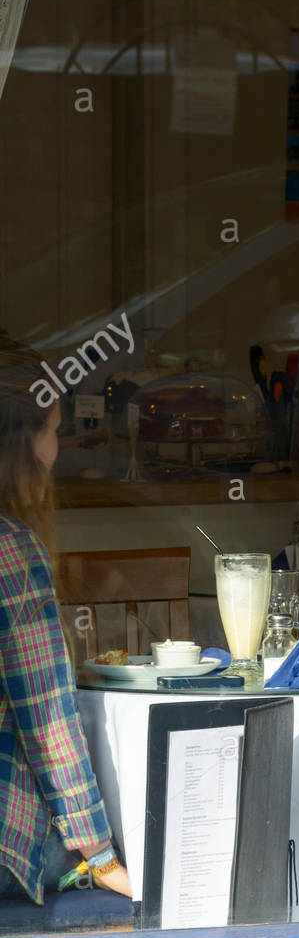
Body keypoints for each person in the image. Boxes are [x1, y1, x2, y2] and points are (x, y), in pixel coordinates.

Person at [0, 339, 131, 904]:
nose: (58, 449)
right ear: (16, 447)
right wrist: (100, 855)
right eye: (52, 430)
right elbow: (46, 716)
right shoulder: (10, 548)